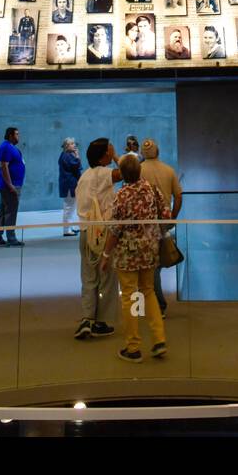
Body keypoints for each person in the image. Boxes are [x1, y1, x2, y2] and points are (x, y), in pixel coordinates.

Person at [99, 152, 168, 362]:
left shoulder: (122, 195)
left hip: (127, 254)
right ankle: (159, 340)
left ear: (122, 174)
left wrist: (105, 254)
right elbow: (165, 214)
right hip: (149, 250)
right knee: (148, 292)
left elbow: (115, 230)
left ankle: (133, 347)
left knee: (129, 296)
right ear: (139, 170)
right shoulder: (151, 189)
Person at [74, 138, 122, 339]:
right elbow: (130, 173)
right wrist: (117, 157)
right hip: (103, 234)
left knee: (88, 277)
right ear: (104, 156)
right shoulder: (104, 174)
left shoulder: (84, 176)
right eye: (109, 150)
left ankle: (87, 319)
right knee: (108, 278)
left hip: (85, 233)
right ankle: (101, 322)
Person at [139, 139, 182, 316]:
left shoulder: (138, 171)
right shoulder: (169, 170)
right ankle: (155, 304)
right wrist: (172, 218)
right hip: (162, 223)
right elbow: (178, 197)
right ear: (158, 151)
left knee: (147, 266)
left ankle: (155, 305)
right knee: (155, 266)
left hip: (142, 225)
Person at [0, 126, 24, 247]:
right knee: (11, 211)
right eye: (16, 134)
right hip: (9, 186)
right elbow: (3, 167)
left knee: (4, 211)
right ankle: (11, 238)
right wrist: (10, 185)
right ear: (10, 135)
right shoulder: (5, 147)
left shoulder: (11, 147)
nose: (18, 136)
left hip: (10, 185)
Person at [59, 138, 82, 237]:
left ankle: (70, 227)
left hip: (71, 184)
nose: (74, 145)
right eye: (72, 144)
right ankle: (66, 229)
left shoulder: (67, 155)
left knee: (72, 207)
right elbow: (77, 165)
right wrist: (77, 156)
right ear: (66, 146)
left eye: (74, 143)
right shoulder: (67, 156)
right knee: (69, 207)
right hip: (69, 185)